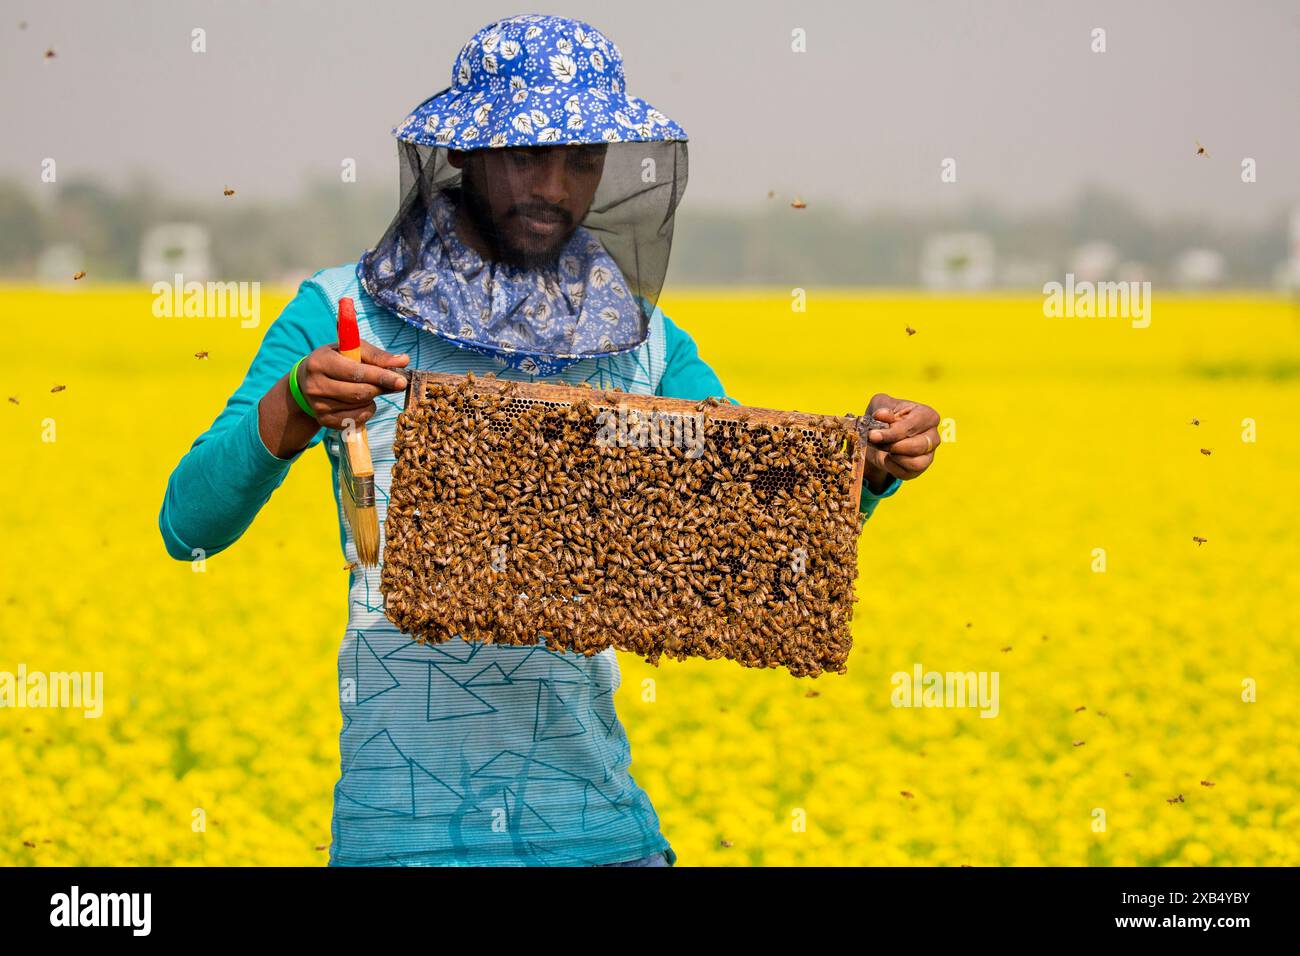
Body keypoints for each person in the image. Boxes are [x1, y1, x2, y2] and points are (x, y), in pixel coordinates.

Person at [157, 13, 940, 867]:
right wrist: (295, 404)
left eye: (583, 160)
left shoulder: (644, 341)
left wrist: (863, 469)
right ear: (462, 152)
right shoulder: (342, 311)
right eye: (528, 156)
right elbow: (188, 527)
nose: (557, 189)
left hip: (602, 835)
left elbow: (745, 547)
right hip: (402, 839)